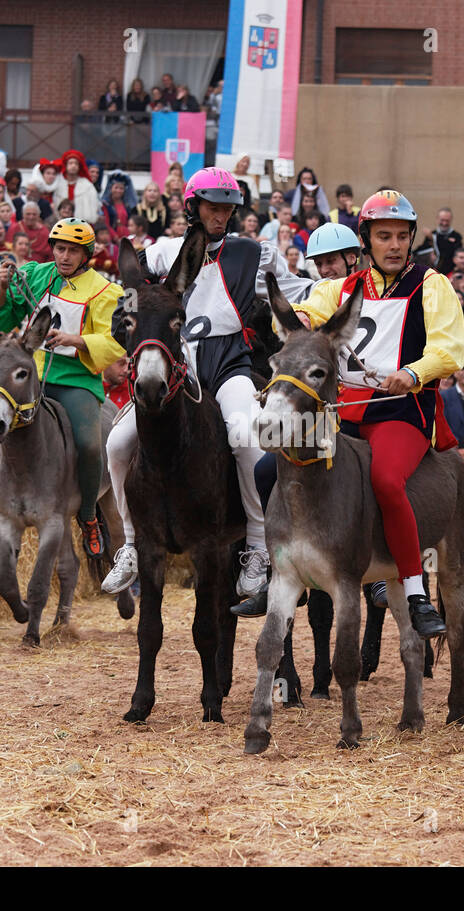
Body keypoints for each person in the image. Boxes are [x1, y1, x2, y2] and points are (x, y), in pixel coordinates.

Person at [100, 167, 313, 602]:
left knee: (248, 440)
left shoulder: (254, 253)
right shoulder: (161, 252)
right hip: (179, 366)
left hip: (228, 363)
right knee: (118, 444)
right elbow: (128, 298)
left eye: (227, 209)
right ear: (192, 207)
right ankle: (129, 545)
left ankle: (256, 548)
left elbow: (297, 291)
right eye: (213, 208)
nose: (221, 217)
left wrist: (330, 295)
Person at [270, 189, 464, 634]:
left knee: (385, 481)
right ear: (367, 242)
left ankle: (414, 593)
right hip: (343, 412)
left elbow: (449, 350)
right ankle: (274, 568)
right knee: (273, 467)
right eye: (384, 236)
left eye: (401, 236)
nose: (394, 245)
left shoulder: (433, 285)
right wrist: (291, 320)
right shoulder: (340, 288)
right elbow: (307, 313)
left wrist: (413, 374)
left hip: (401, 411)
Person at [0, 218, 125, 553]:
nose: (64, 256)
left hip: (76, 379)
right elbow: (2, 318)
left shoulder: (104, 290)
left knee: (90, 445)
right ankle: (0, 503)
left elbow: (115, 341)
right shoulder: (36, 275)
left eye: (72, 250)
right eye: (59, 248)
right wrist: (0, 285)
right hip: (30, 376)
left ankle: (87, 516)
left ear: (87, 254)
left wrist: (76, 339)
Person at [414, 207, 463, 272]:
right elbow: (422, 250)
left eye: (447, 221)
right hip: (432, 272)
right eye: (442, 220)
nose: (444, 223)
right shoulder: (432, 234)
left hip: (449, 272)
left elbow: (451, 252)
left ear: (451, 220)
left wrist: (433, 238)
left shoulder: (456, 236)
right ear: (437, 219)